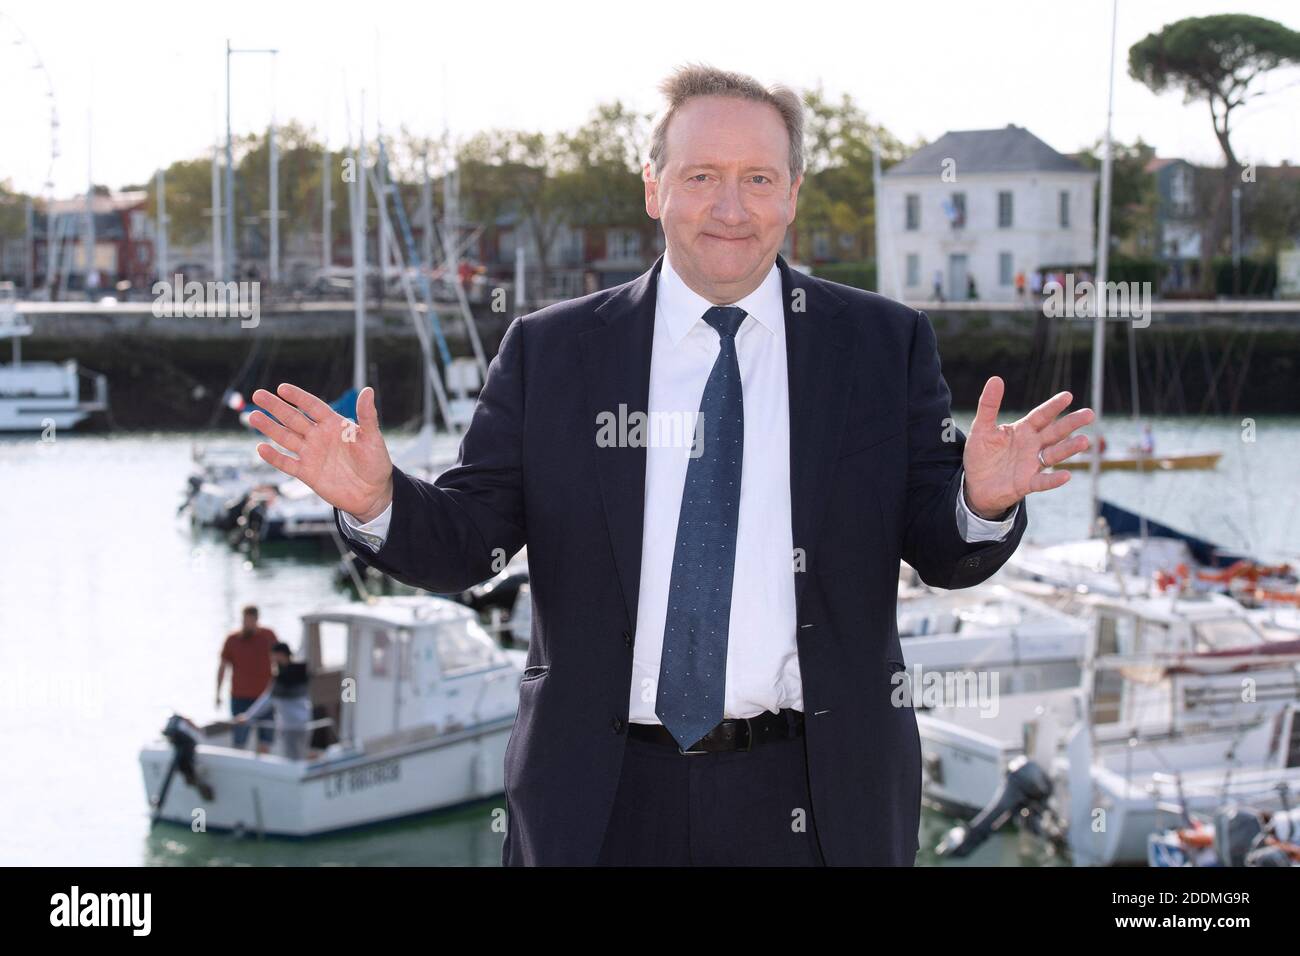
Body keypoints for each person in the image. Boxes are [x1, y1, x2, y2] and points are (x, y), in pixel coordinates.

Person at [246, 64, 1093, 866]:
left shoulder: (881, 345)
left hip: (818, 797)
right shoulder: (554, 353)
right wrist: (380, 502)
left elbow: (938, 550)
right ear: (653, 189)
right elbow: (473, 542)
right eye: (700, 176)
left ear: (793, 195)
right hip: (602, 799)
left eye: (759, 178)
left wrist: (979, 500)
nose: (731, 205)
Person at [234, 643, 312, 760]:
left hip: (290, 725)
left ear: (280, 655)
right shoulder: (301, 671)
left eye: (273, 656)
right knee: (299, 756)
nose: (271, 659)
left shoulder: (283, 677)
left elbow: (267, 700)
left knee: (292, 759)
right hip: (304, 722)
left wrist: (248, 716)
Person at [217, 605, 277, 749]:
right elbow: (223, 667)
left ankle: (264, 766)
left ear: (256, 620)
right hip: (240, 697)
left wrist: (279, 687)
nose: (245, 624)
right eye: (244, 620)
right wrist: (217, 693)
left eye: (249, 620)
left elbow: (279, 660)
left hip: (264, 697)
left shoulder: (268, 636)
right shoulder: (232, 639)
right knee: (239, 738)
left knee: (266, 738)